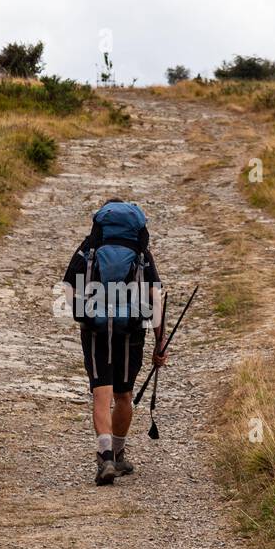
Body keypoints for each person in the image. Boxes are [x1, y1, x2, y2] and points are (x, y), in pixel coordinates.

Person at [61, 199, 168, 486]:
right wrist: (160, 343)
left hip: (96, 329)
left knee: (101, 396)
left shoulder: (90, 248)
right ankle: (118, 456)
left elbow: (69, 285)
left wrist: (82, 315)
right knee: (124, 395)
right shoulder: (141, 252)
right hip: (132, 330)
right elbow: (156, 299)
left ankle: (105, 457)